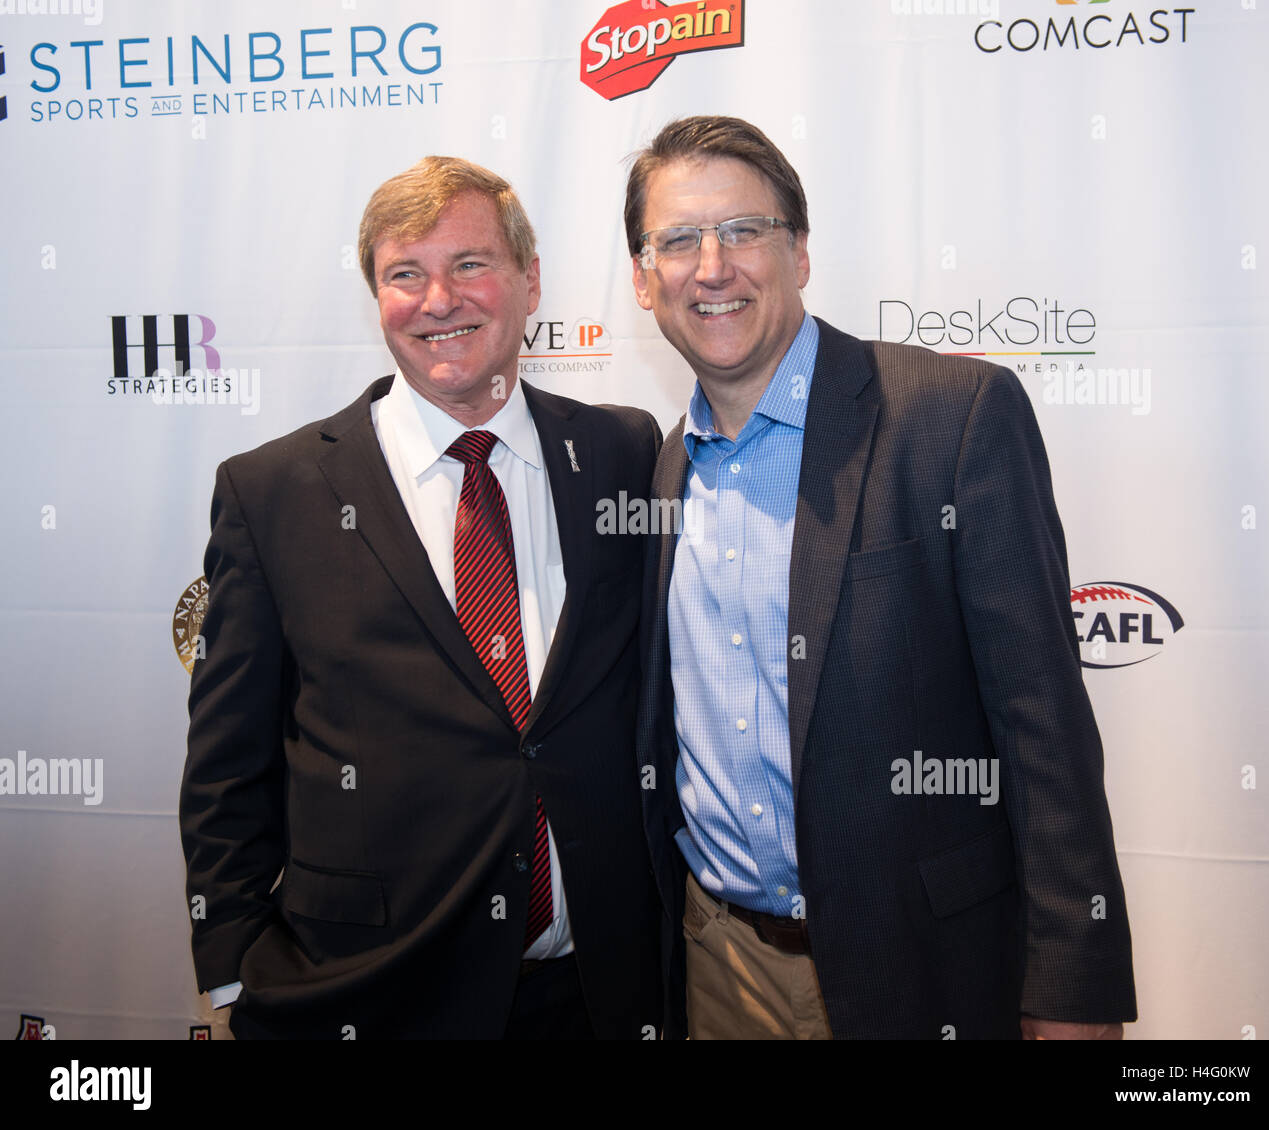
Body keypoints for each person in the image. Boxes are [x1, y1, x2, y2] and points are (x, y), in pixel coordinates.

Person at [627, 116, 1137, 1040]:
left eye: (745, 231)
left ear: (801, 253)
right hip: (718, 969)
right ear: (641, 278)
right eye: (679, 241)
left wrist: (1074, 987)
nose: (712, 266)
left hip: (922, 967)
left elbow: (1044, 728)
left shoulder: (949, 417)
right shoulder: (664, 470)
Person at [179, 156, 662, 1039]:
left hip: (600, 990)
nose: (440, 299)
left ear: (530, 280)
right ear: (377, 298)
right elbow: (226, 764)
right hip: (368, 994)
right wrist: (230, 977)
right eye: (406, 274)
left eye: (471, 263)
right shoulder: (275, 490)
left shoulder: (623, 455)